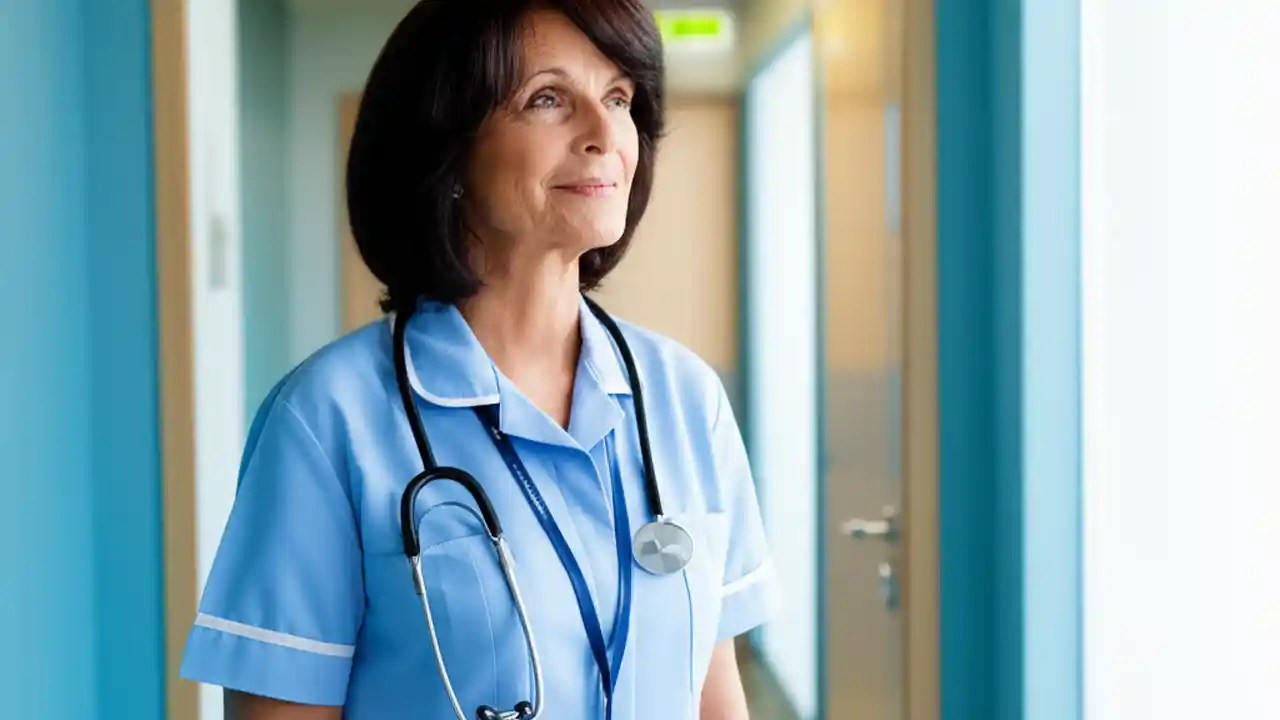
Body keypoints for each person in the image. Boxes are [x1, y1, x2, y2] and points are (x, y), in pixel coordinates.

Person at [179, 1, 776, 717]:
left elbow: (715, 695)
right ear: (449, 148)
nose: (604, 133)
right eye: (548, 99)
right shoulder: (328, 419)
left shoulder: (683, 398)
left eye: (619, 98)